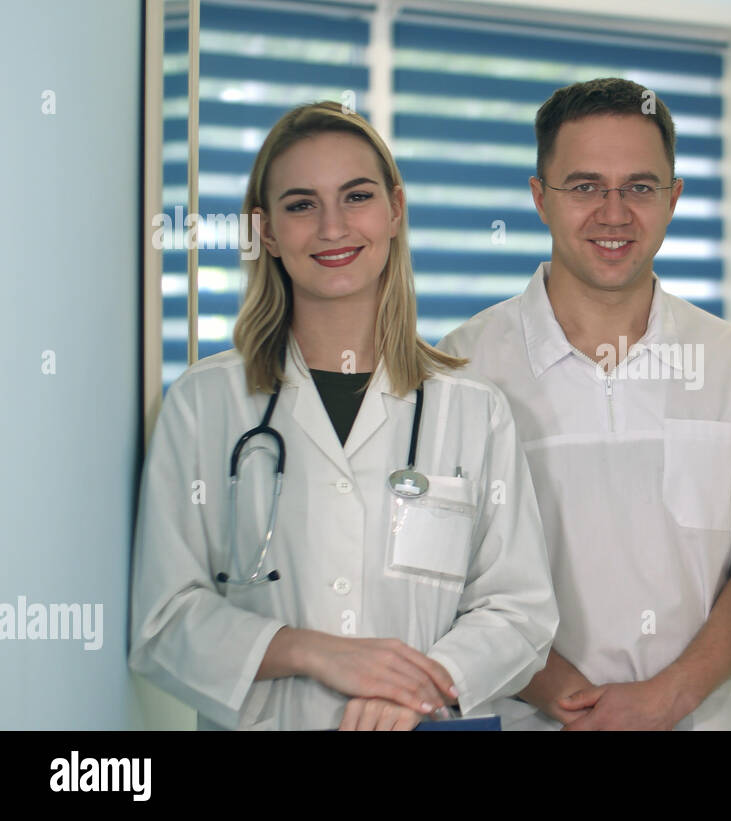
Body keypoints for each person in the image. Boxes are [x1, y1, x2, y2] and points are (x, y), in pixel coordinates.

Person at [129, 101, 558, 731]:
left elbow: (519, 612)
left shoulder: (472, 408)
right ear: (266, 231)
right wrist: (316, 652)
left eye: (356, 197)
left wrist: (407, 691)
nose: (333, 227)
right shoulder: (206, 402)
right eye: (301, 204)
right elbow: (163, 620)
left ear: (394, 211)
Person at [437, 78, 731, 730]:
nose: (615, 211)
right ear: (540, 198)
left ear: (674, 198)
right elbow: (444, 570)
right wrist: (567, 695)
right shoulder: (462, 366)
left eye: (640, 186)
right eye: (586, 186)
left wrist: (668, 697)